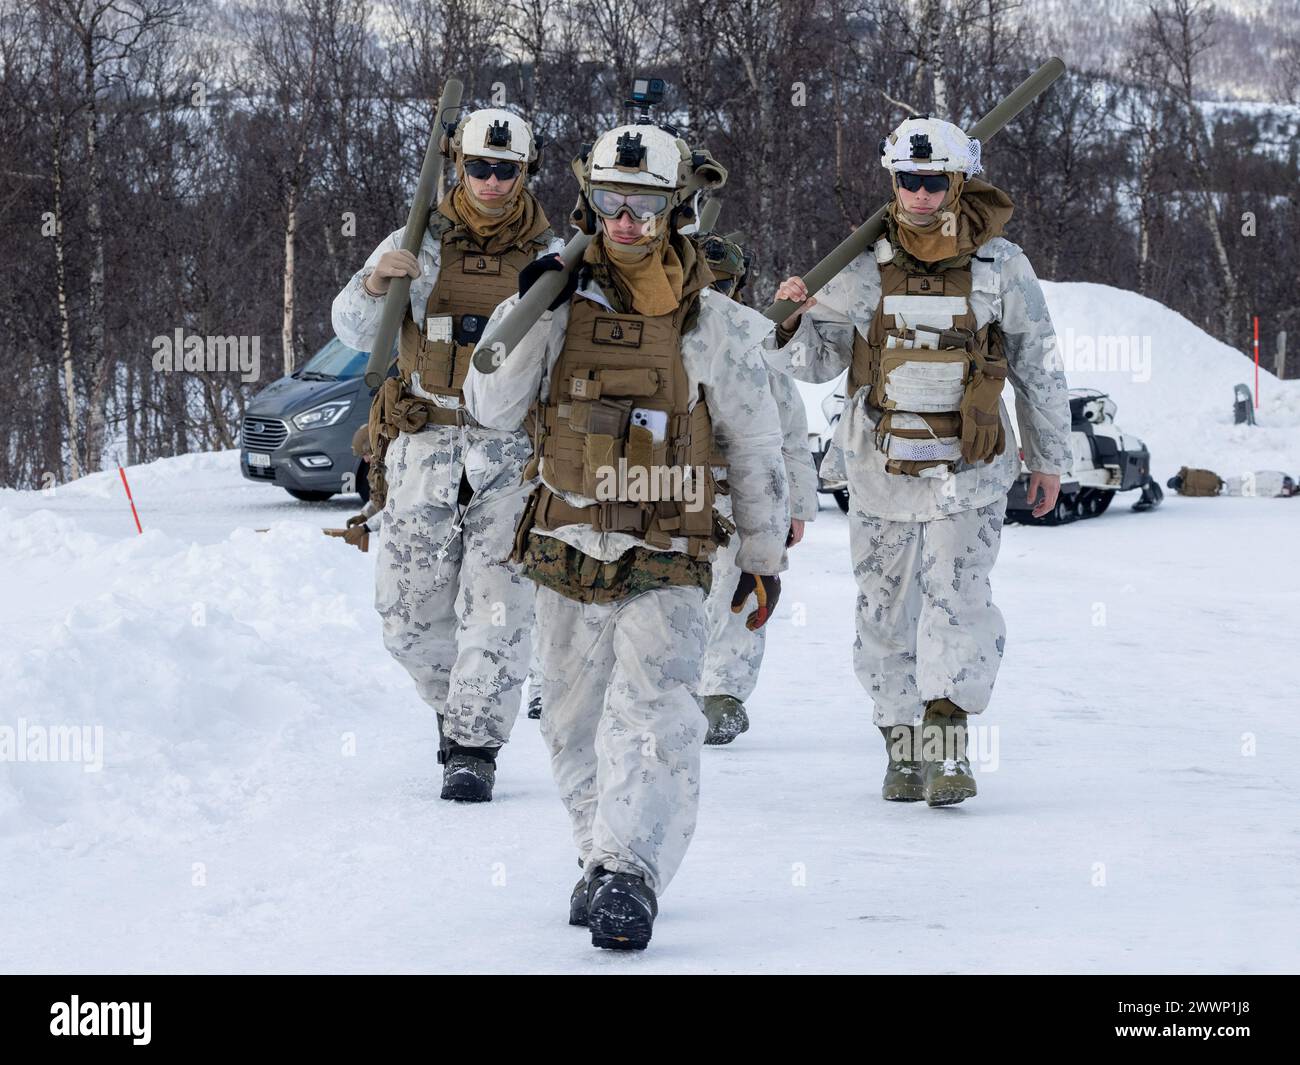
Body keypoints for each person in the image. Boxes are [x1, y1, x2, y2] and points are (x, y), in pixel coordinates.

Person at [464, 120, 790, 949]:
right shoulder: (551, 303)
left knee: (651, 715)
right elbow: (489, 407)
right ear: (590, 200)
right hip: (568, 543)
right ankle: (599, 854)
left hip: (668, 552)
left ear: (675, 209)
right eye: (610, 202)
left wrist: (761, 555)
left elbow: (755, 446)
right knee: (571, 723)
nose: (625, 222)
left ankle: (632, 870)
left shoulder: (715, 324)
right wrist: (528, 307)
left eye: (644, 206)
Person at [769, 116, 1072, 806]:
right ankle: (900, 747)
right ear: (892, 179)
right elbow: (817, 362)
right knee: (884, 613)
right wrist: (790, 319)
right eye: (908, 180)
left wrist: (1051, 457)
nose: (920, 195)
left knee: (958, 605)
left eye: (934, 182)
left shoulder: (1003, 265)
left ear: (957, 181)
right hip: (879, 473)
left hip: (970, 473)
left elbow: (1039, 366)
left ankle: (945, 743)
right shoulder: (856, 263)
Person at [331, 108, 563, 802]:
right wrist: (375, 283)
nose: (492, 182)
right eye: (479, 167)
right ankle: (451, 703)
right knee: (408, 615)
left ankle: (473, 744)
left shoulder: (554, 257)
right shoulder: (414, 241)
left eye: (507, 170)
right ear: (457, 165)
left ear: (525, 173)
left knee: (499, 607)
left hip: (510, 454)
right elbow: (348, 330)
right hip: (423, 446)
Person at [692, 230, 819, 744]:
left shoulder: (756, 341)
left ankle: (724, 693)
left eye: (725, 285)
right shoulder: (662, 331)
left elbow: (790, 430)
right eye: (707, 285)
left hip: (742, 488)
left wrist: (797, 507)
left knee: (740, 590)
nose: (717, 295)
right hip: (671, 484)